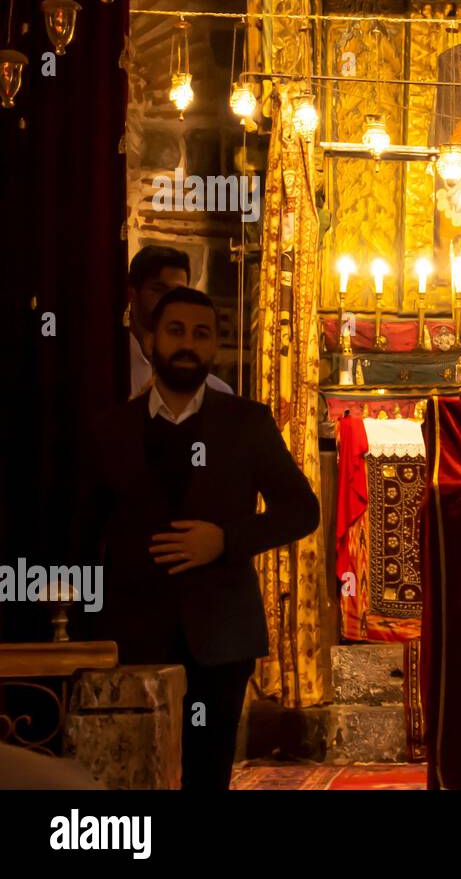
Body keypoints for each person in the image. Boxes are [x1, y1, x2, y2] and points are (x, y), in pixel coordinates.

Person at [77, 286, 320, 790]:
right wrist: (84, 632)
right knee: (130, 777)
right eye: (176, 331)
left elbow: (302, 509)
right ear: (150, 340)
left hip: (220, 635)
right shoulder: (109, 429)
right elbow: (83, 534)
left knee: (207, 776)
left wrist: (225, 540)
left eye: (201, 334)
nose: (188, 343)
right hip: (131, 636)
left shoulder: (248, 424)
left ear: (213, 348)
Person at [126, 246, 231, 397]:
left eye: (178, 292)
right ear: (132, 294)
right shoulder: (109, 371)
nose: (169, 300)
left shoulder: (217, 392)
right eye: (158, 289)